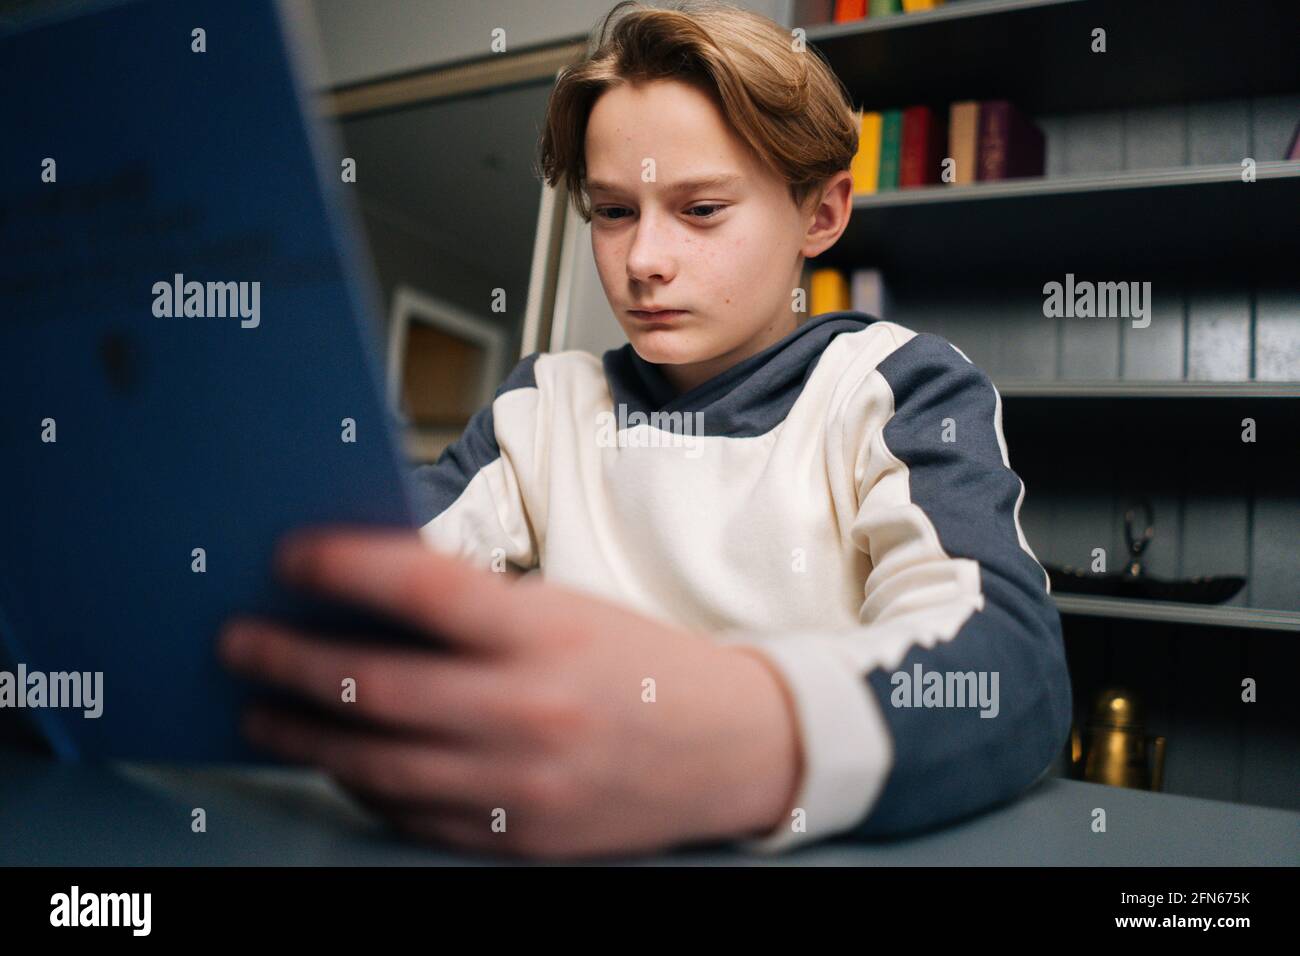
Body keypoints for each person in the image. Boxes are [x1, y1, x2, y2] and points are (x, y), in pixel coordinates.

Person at [217, 0, 1072, 859]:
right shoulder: (542, 406)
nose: (642, 261)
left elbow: (1009, 672)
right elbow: (377, 577)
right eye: (614, 211)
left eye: (701, 209)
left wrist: (748, 746)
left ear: (821, 213)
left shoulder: (894, 388)